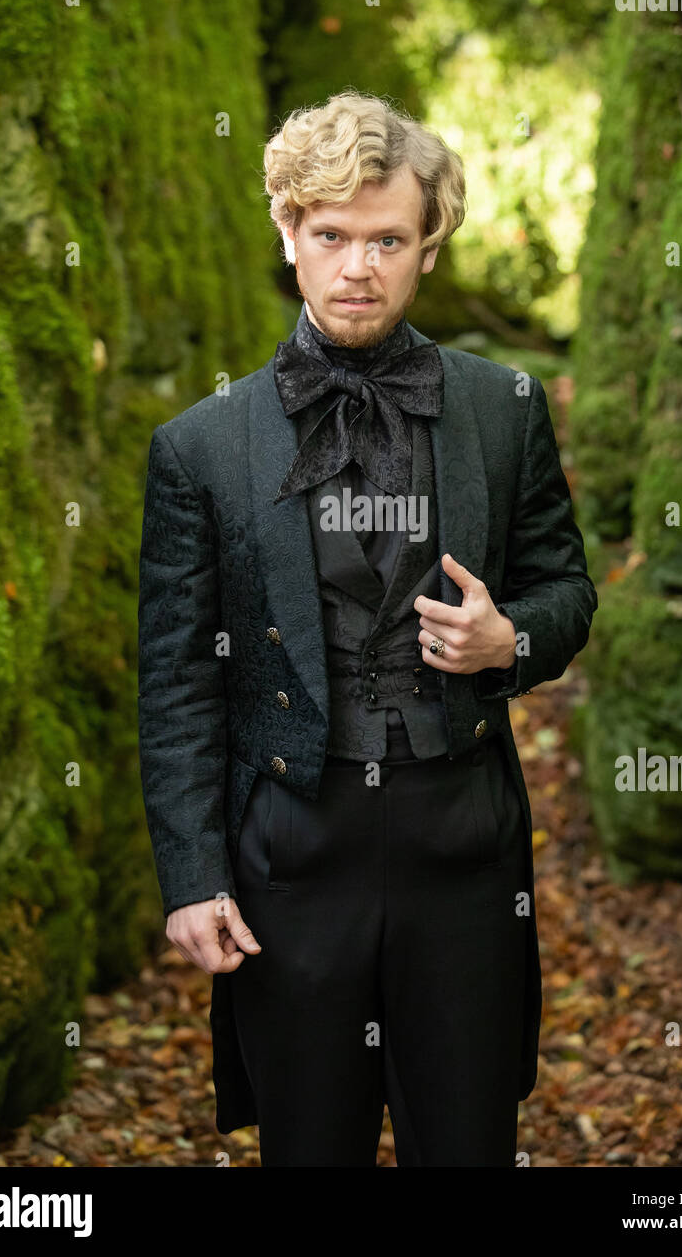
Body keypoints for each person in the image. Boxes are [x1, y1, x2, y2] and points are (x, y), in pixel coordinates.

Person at [137, 89, 598, 1166]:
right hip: (290, 852)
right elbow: (175, 678)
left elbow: (563, 589)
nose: (357, 266)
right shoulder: (199, 447)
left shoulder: (502, 407)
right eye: (331, 235)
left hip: (463, 842)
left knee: (467, 1145)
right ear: (286, 231)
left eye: (387, 239)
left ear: (426, 245)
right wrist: (191, 870)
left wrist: (508, 642)